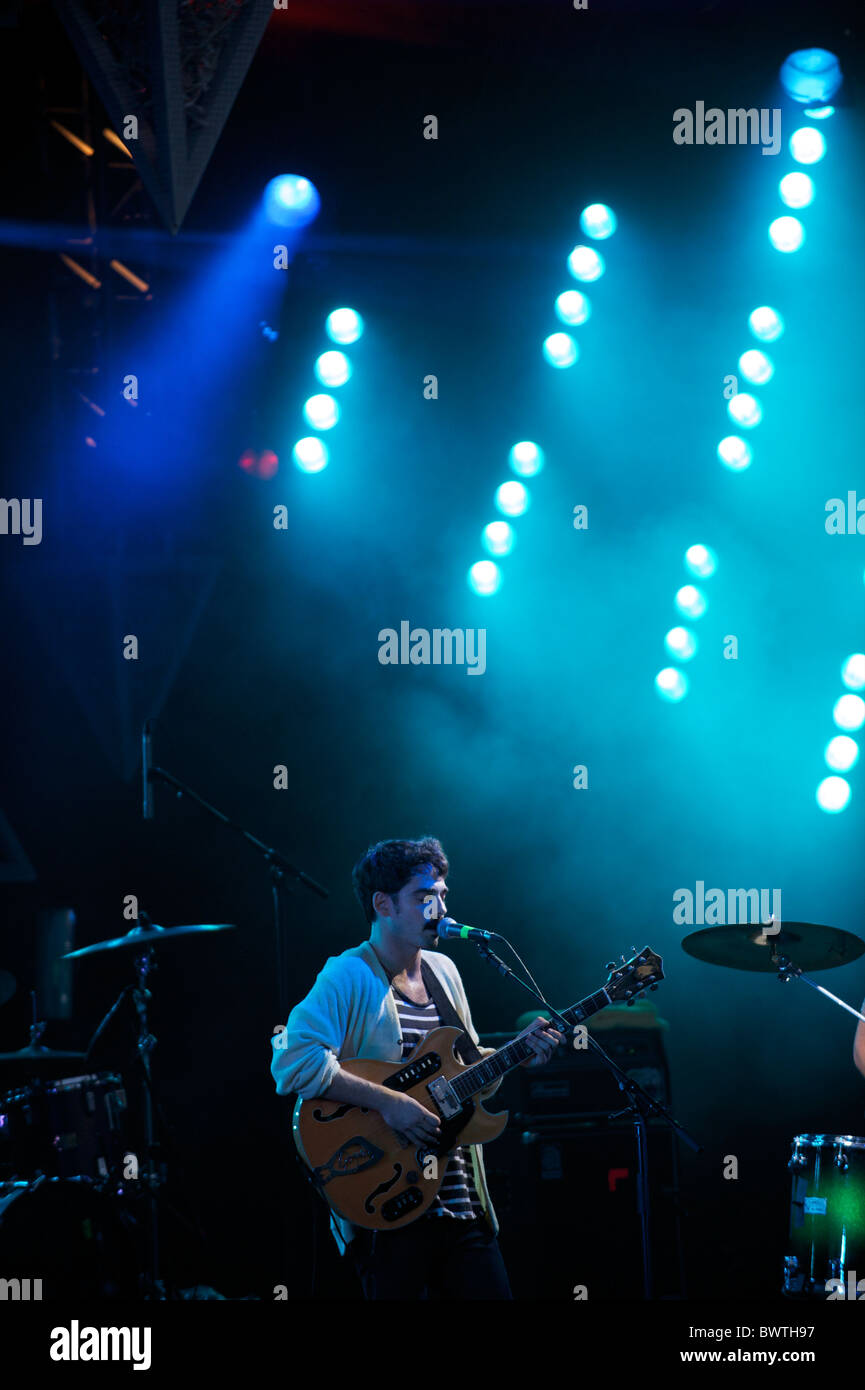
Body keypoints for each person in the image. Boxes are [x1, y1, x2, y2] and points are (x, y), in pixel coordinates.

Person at [271, 835, 563, 1299]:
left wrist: (516, 1054)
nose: (440, 909)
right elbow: (292, 1062)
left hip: (461, 1203)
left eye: (443, 895)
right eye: (424, 897)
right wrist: (391, 1104)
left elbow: (464, 1078)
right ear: (383, 904)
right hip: (389, 1207)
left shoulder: (446, 972)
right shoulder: (348, 975)